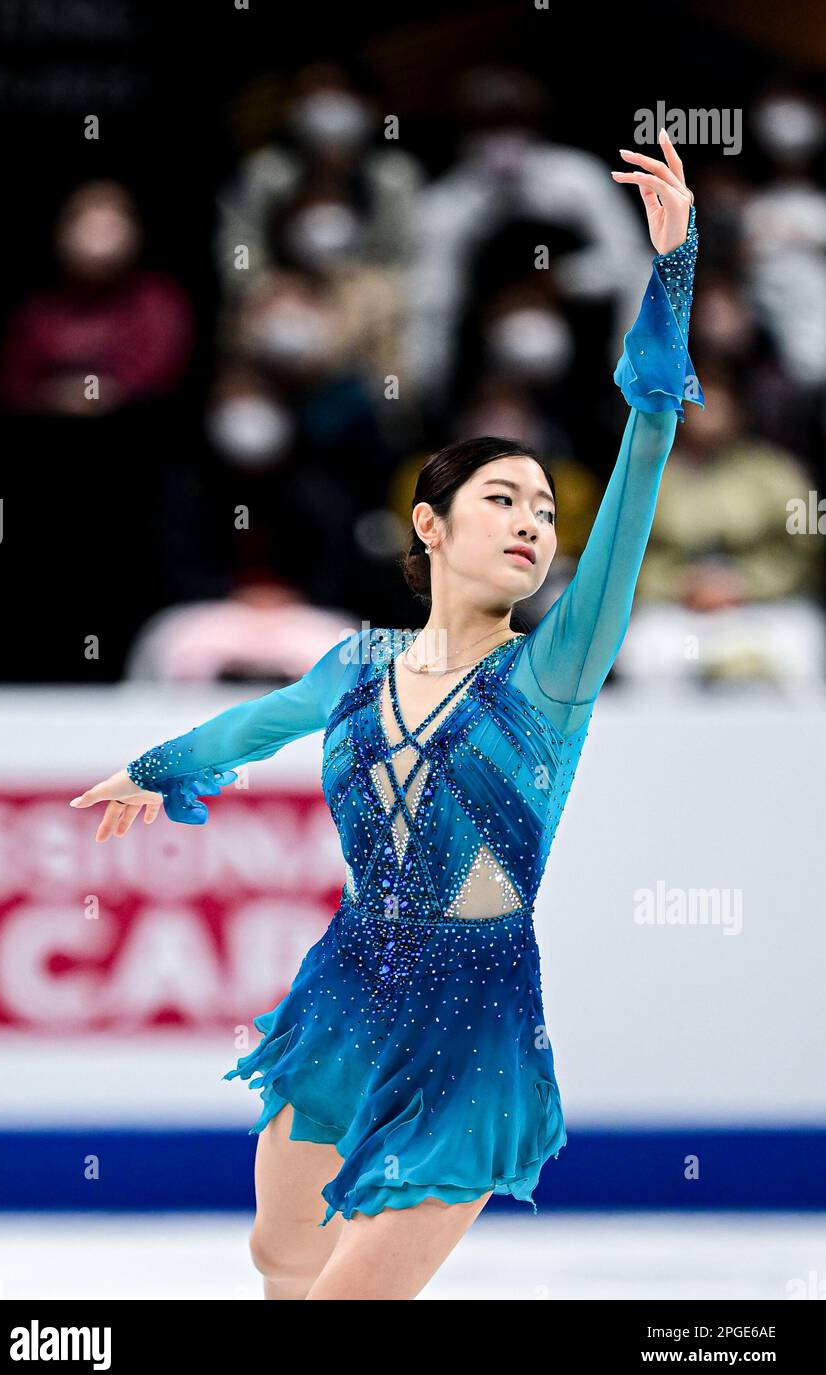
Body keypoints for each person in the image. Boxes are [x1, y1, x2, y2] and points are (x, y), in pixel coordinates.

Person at [70, 131, 703, 1300]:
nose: (531, 522)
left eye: (541, 510)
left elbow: (649, 438)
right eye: (498, 499)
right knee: (279, 1257)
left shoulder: (550, 672)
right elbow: (251, 730)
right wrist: (156, 766)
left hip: (475, 1016)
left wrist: (671, 273)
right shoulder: (353, 664)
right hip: (349, 986)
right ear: (429, 527)